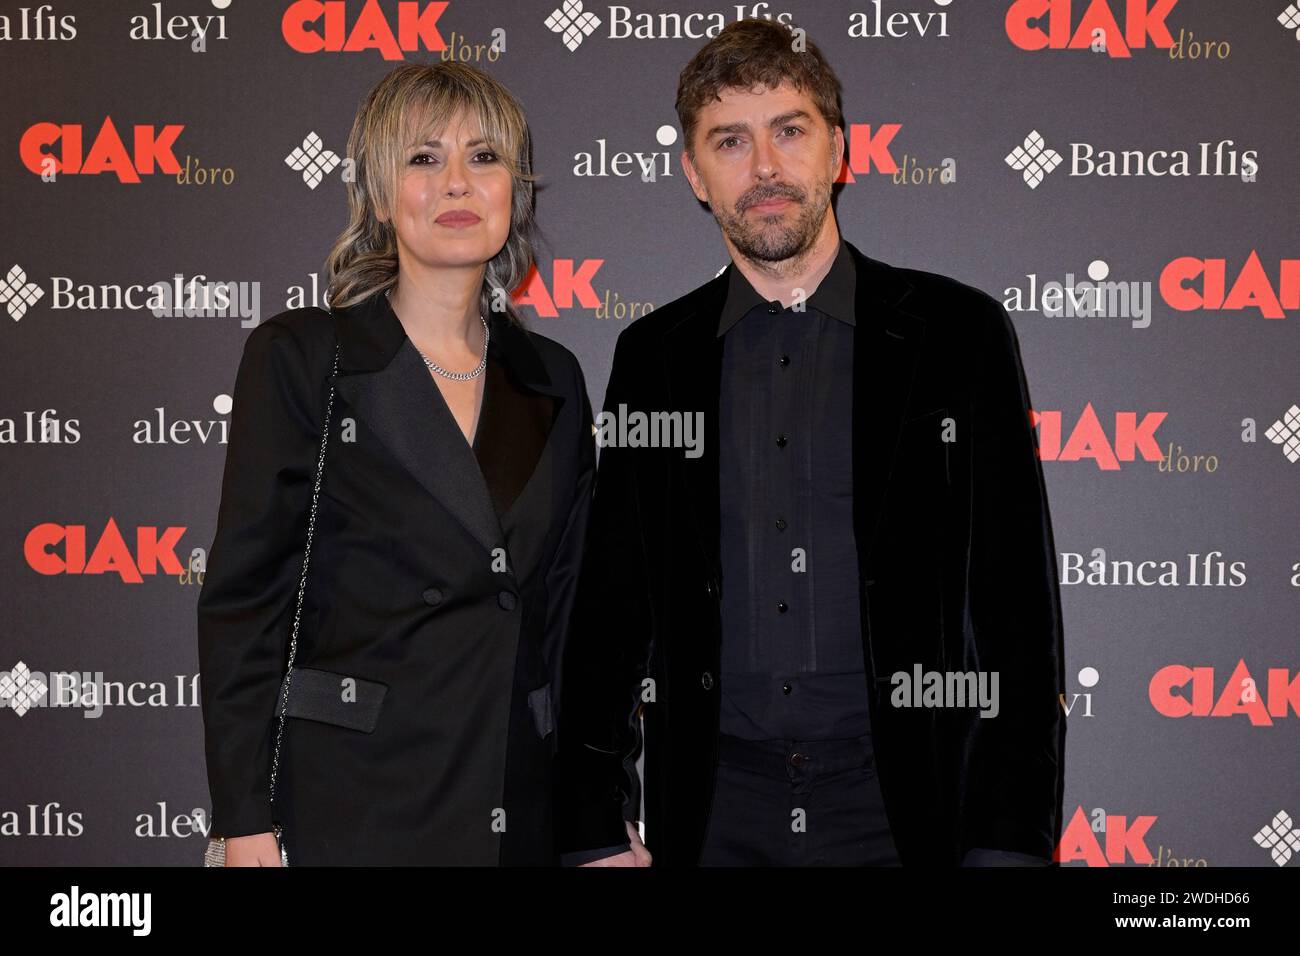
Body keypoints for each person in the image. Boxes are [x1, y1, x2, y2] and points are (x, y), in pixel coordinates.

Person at [556, 18, 1066, 867]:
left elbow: (1017, 613)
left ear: (838, 150)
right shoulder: (656, 359)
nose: (763, 167)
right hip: (716, 815)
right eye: (730, 140)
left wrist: (1009, 845)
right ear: (693, 173)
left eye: (789, 131)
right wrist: (592, 825)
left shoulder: (956, 336)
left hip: (904, 814)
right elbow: (612, 604)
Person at [197, 61, 595, 865]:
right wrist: (244, 823)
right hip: (353, 808)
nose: (457, 182)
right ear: (379, 196)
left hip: (512, 807)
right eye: (423, 158)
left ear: (513, 192)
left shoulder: (553, 376)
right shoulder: (305, 358)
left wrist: (593, 817)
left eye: (484, 158)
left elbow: (568, 618)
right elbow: (245, 606)